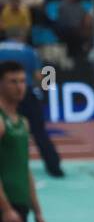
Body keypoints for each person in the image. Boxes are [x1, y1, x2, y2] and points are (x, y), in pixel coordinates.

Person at [0, 60, 46, 222]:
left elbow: (25, 168)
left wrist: (37, 211)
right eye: (12, 82)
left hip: (19, 204)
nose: (19, 87)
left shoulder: (22, 122)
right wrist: (6, 208)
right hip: (5, 205)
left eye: (22, 81)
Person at [0, 25, 61, 176]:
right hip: (25, 94)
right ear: (22, 37)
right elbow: (40, 76)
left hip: (3, 95)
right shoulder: (29, 51)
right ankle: (54, 167)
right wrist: (47, 88)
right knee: (39, 131)